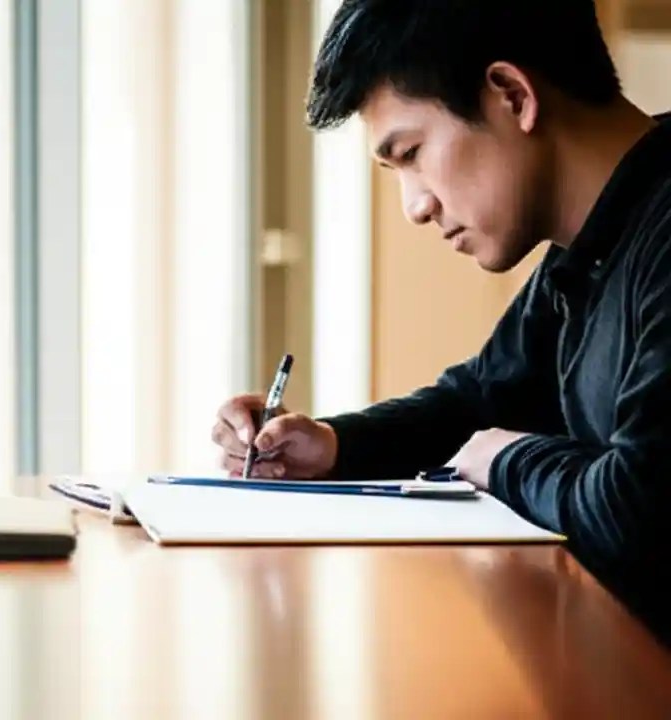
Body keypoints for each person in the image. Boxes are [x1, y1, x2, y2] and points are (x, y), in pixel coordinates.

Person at [211, 0, 671, 646]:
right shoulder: (588, 246)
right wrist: (332, 446)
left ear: (511, 95)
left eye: (413, 153)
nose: (416, 206)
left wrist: (507, 457)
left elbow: (640, 516)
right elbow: (476, 402)